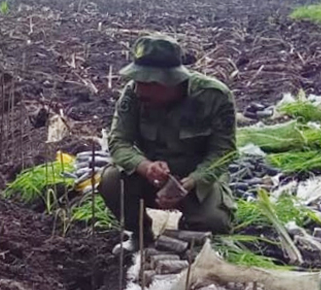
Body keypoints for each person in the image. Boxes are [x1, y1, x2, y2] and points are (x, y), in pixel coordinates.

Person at [100, 34, 237, 248]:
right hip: (151, 176)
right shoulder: (133, 95)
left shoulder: (213, 96)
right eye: (138, 79)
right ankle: (140, 234)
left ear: (172, 80)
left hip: (197, 179)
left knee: (214, 222)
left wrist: (192, 181)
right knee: (110, 180)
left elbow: (224, 152)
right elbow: (119, 142)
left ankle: (188, 240)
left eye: (150, 82)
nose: (140, 88)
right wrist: (146, 167)